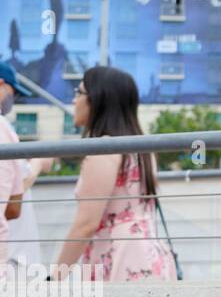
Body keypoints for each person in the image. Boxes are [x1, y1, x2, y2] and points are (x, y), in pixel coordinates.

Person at [51, 66, 176, 281]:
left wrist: (54, 279)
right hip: (149, 259)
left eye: (79, 93)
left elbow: (85, 225)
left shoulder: (103, 151)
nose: (74, 101)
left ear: (98, 99)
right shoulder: (142, 149)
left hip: (119, 262)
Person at [0, 60, 34, 269]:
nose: (15, 100)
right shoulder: (3, 130)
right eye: (14, 93)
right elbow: (13, 209)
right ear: (1, 85)